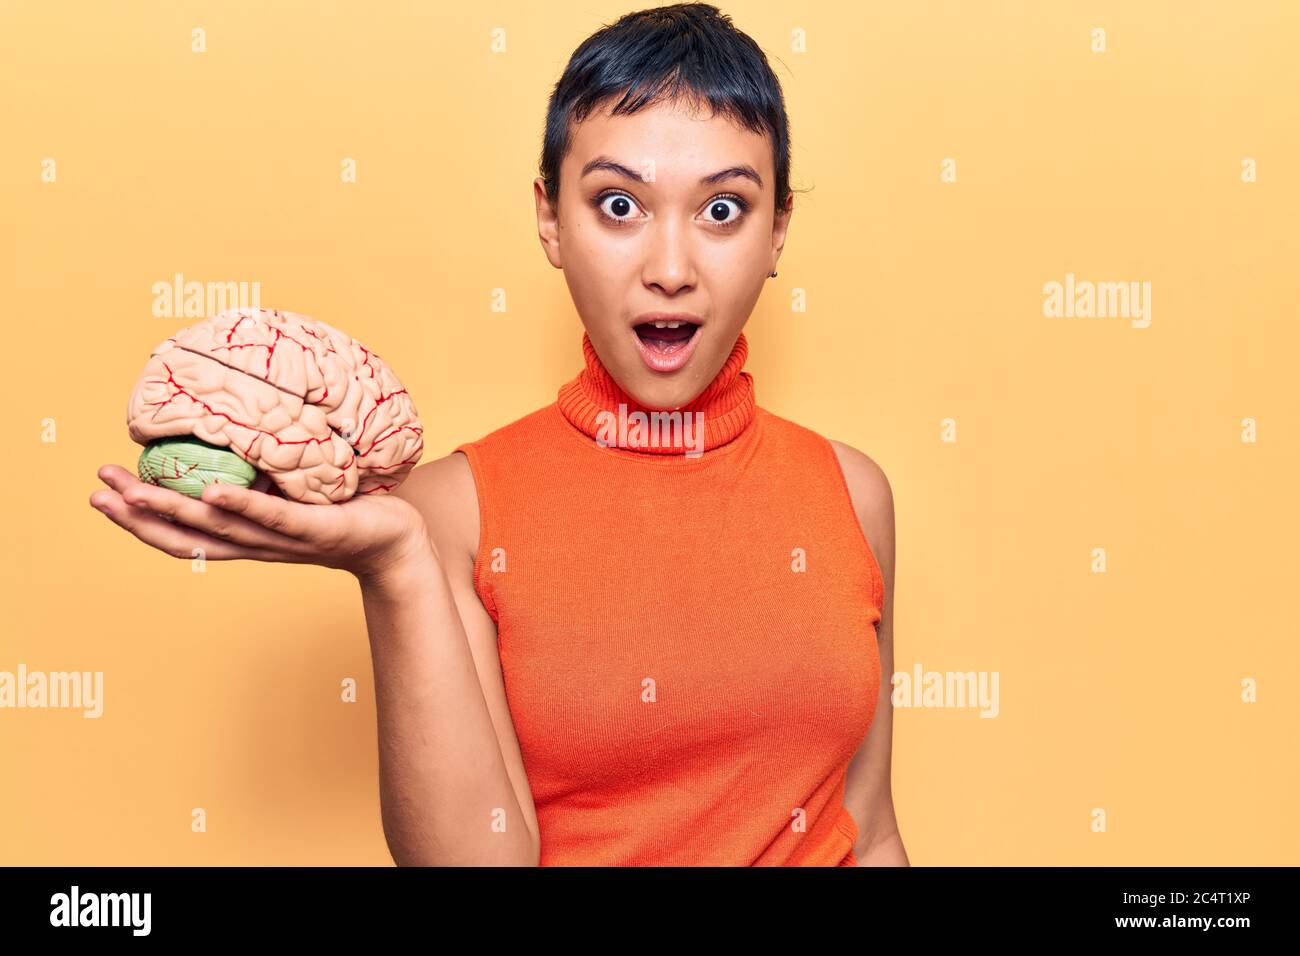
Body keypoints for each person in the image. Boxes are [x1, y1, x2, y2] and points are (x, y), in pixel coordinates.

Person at [89, 2, 907, 867]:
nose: (671, 269)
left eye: (723, 210)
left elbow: (873, 828)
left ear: (779, 227)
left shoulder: (853, 495)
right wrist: (395, 565)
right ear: (551, 218)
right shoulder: (452, 512)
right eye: (619, 204)